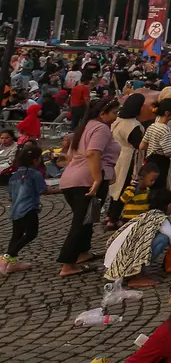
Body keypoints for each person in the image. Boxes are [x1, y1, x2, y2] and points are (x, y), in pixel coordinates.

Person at [56, 97, 120, 277]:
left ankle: (83, 252)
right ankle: (68, 263)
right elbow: (93, 153)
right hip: (87, 181)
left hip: (71, 179)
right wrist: (98, 179)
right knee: (81, 221)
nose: (116, 116)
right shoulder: (101, 128)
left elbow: (70, 156)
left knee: (87, 219)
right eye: (114, 112)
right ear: (102, 113)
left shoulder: (84, 126)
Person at [102, 187, 171, 287]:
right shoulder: (160, 218)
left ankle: (133, 273)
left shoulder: (144, 215)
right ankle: (136, 276)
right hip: (119, 267)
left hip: (110, 264)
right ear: (170, 205)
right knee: (163, 238)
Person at [1, 145, 45, 274]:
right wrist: (61, 189)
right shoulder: (35, 174)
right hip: (29, 208)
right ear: (35, 160)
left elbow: (10, 196)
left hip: (15, 209)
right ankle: (7, 257)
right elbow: (42, 190)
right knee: (31, 233)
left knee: (17, 235)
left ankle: (12, 263)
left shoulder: (14, 175)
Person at [106, 93, 147, 228]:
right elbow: (138, 145)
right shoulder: (133, 126)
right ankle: (114, 218)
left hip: (116, 156)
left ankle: (110, 215)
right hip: (128, 159)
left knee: (115, 187)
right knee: (123, 189)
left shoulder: (117, 120)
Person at [143, 98, 171, 190]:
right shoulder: (165, 130)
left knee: (151, 186)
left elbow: (142, 145)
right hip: (161, 162)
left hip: (150, 159)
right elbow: (168, 152)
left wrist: (153, 146)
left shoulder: (152, 126)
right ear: (167, 113)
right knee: (159, 186)